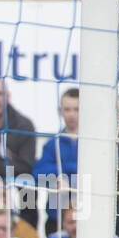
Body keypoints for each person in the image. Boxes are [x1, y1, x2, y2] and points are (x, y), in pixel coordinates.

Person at [31, 87, 80, 230]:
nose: (71, 114)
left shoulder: (94, 143)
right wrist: (60, 177)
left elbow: (94, 174)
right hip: (56, 218)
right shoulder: (52, 144)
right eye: (67, 109)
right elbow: (37, 174)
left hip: (87, 215)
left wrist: (66, 175)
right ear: (60, 111)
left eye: (76, 109)